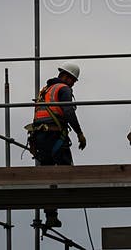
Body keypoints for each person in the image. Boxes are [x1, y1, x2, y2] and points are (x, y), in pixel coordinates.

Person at [28, 62, 87, 229]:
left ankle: (51, 216)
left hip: (40, 137)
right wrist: (79, 133)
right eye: (73, 81)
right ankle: (76, 198)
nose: (73, 84)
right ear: (67, 77)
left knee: (47, 177)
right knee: (67, 172)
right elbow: (68, 112)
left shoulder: (45, 90)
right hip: (54, 136)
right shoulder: (64, 89)